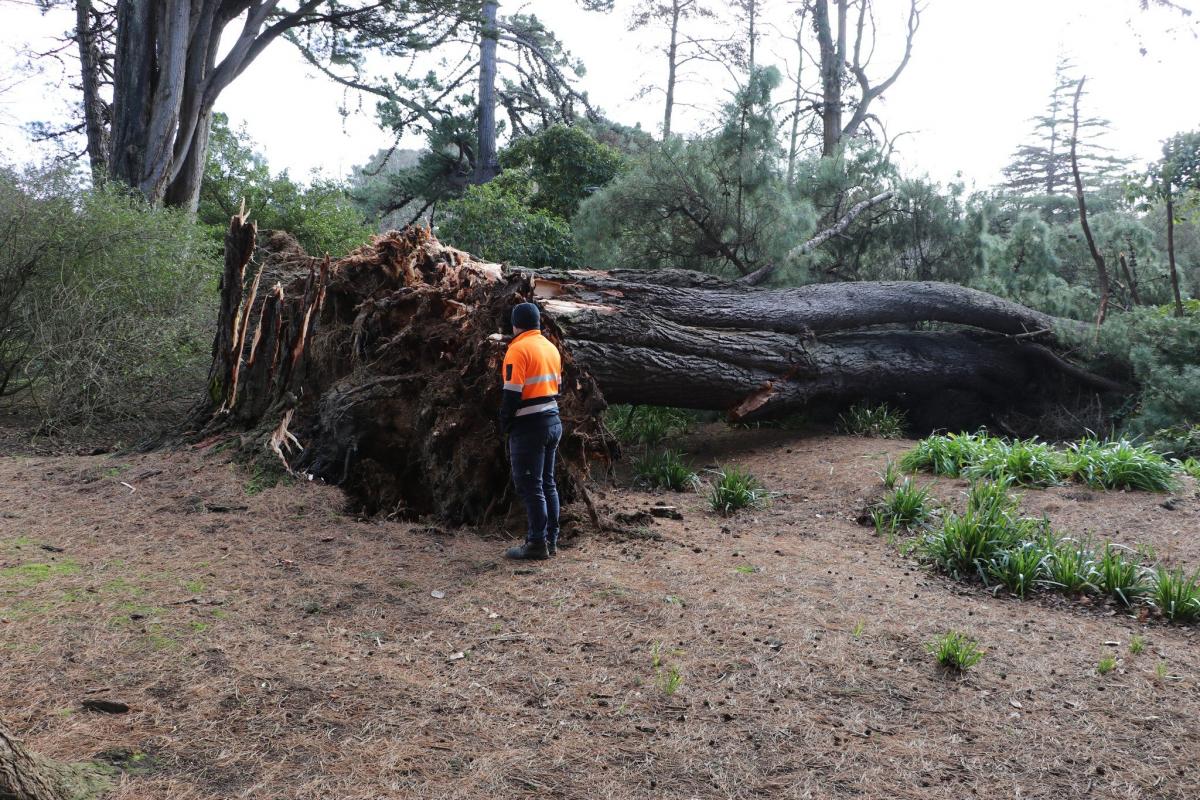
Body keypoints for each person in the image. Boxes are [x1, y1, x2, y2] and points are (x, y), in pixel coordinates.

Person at [499, 302, 564, 560]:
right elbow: (558, 387)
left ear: (515, 325)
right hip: (553, 422)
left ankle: (536, 544)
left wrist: (505, 422)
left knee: (530, 486)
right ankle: (551, 540)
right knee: (547, 483)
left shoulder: (517, 350)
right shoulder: (551, 348)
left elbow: (512, 395)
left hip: (529, 426)